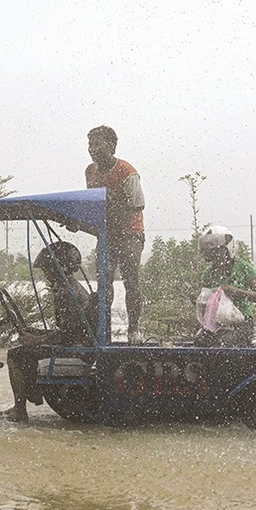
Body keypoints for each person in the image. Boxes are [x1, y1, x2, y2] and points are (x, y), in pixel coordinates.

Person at [4, 241, 95, 423]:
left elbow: (65, 334)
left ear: (56, 268)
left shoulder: (66, 292)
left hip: (75, 349)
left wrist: (35, 340)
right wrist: (37, 333)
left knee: (15, 355)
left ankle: (20, 409)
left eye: (47, 269)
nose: (45, 274)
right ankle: (29, 398)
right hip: (79, 344)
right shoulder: (71, 287)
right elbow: (69, 329)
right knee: (27, 349)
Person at [84, 125, 146, 345]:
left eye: (97, 144)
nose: (92, 149)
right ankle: (104, 329)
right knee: (104, 282)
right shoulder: (90, 171)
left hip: (130, 232)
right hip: (107, 233)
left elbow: (137, 205)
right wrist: (81, 223)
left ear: (111, 146)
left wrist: (113, 226)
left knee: (131, 281)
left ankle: (134, 329)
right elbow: (92, 206)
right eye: (90, 144)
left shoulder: (127, 172)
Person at [195, 225, 256, 347]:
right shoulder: (208, 273)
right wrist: (195, 298)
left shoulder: (243, 267)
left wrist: (236, 292)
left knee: (224, 343)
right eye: (211, 252)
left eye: (217, 251)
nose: (215, 255)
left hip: (243, 322)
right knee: (200, 341)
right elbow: (206, 306)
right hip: (217, 324)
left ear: (227, 249)